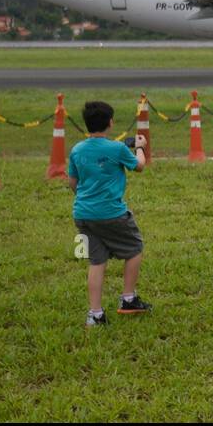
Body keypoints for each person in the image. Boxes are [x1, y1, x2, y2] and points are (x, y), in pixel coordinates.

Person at [66, 100, 152, 327]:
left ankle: (95, 313)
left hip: (83, 214)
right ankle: (128, 299)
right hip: (112, 213)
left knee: (96, 261)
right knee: (134, 249)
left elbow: (72, 182)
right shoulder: (117, 149)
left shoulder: (76, 149)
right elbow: (139, 166)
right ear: (110, 123)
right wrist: (140, 147)